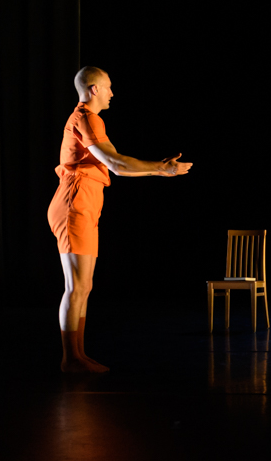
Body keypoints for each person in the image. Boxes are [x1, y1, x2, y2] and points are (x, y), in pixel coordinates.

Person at [48, 66, 192, 372]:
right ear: (94, 89)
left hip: (84, 204)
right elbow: (115, 164)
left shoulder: (91, 120)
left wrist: (159, 169)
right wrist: (160, 169)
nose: (112, 93)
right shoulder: (86, 117)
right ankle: (70, 359)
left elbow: (117, 164)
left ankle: (78, 356)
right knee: (76, 286)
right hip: (75, 204)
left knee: (84, 286)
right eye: (109, 87)